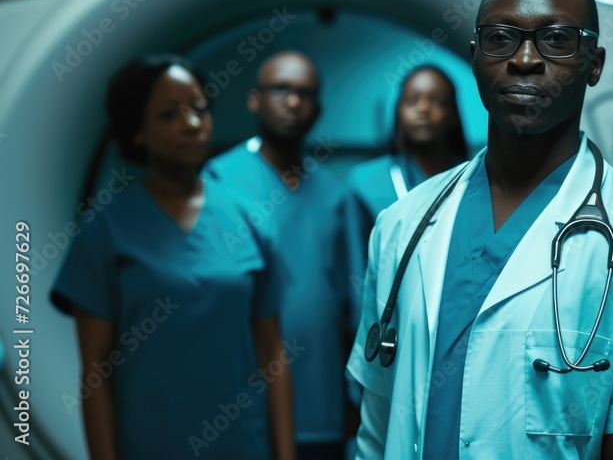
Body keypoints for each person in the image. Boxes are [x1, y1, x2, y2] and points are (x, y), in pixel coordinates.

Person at [347, 0, 613, 459]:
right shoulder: (402, 224)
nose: (525, 58)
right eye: (501, 38)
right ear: (475, 58)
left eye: (556, 39)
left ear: (594, 64)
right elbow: (377, 428)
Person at [50, 54, 295, 460]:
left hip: (241, 446)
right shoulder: (107, 230)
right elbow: (95, 373)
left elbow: (273, 353)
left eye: (200, 108)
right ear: (137, 131)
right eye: (169, 114)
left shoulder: (249, 219)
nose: (192, 123)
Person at [204, 50, 370, 460]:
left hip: (322, 400)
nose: (293, 102)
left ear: (319, 109)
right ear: (254, 99)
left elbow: (355, 309)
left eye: (305, 93)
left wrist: (356, 397)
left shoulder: (337, 195)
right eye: (281, 89)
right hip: (238, 403)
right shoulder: (218, 181)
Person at [348, 65, 468, 220]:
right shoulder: (364, 182)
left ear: (453, 115)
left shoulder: (472, 178)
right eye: (412, 101)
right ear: (398, 113)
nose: (423, 109)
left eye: (437, 101)